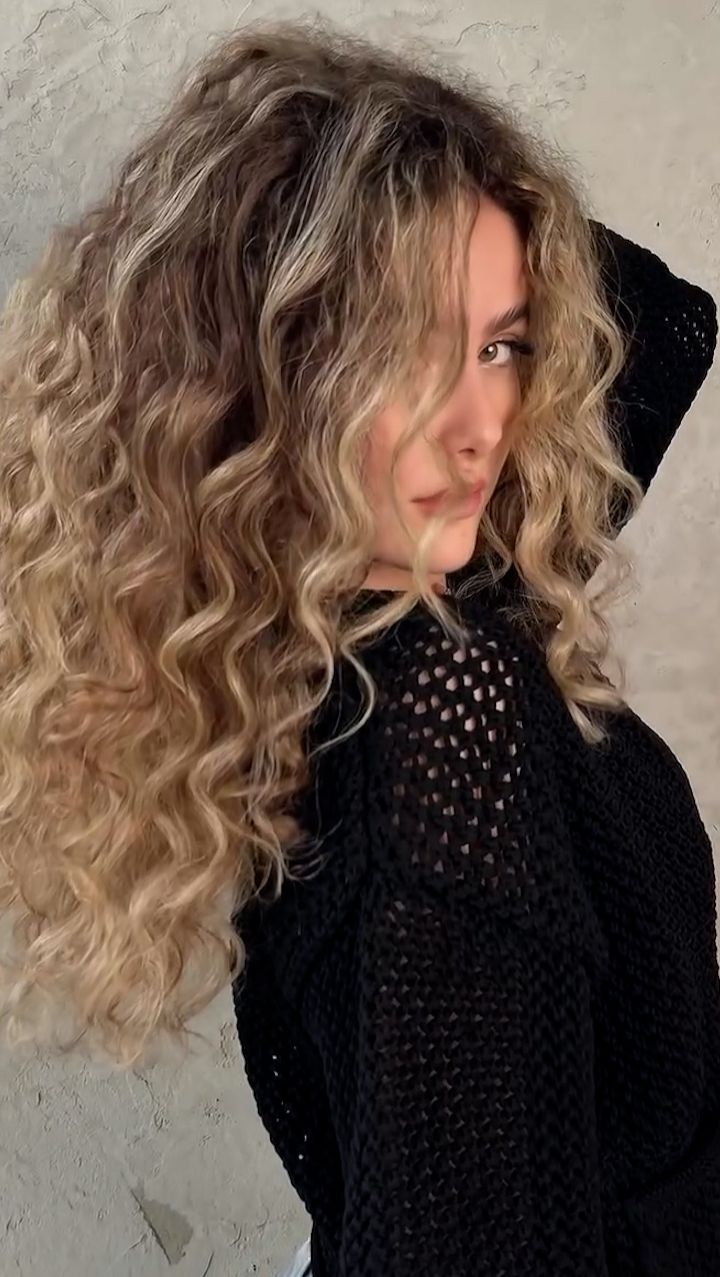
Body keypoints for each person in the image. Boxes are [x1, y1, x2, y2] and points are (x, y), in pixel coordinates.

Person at [0, 16, 718, 1277]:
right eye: (403, 350)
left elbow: (665, 322)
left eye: (502, 345)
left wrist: (417, 166)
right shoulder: (446, 715)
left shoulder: (403, 588)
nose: (480, 424)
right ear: (261, 375)